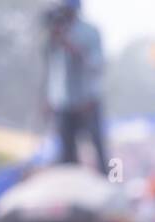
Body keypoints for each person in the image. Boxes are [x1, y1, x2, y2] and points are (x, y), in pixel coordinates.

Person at [42, 0, 107, 174]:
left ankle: (106, 185)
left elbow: (97, 66)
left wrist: (76, 50)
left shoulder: (90, 32)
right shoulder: (55, 34)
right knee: (66, 157)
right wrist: (48, 100)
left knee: (99, 152)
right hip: (63, 105)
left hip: (87, 103)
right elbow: (52, 70)